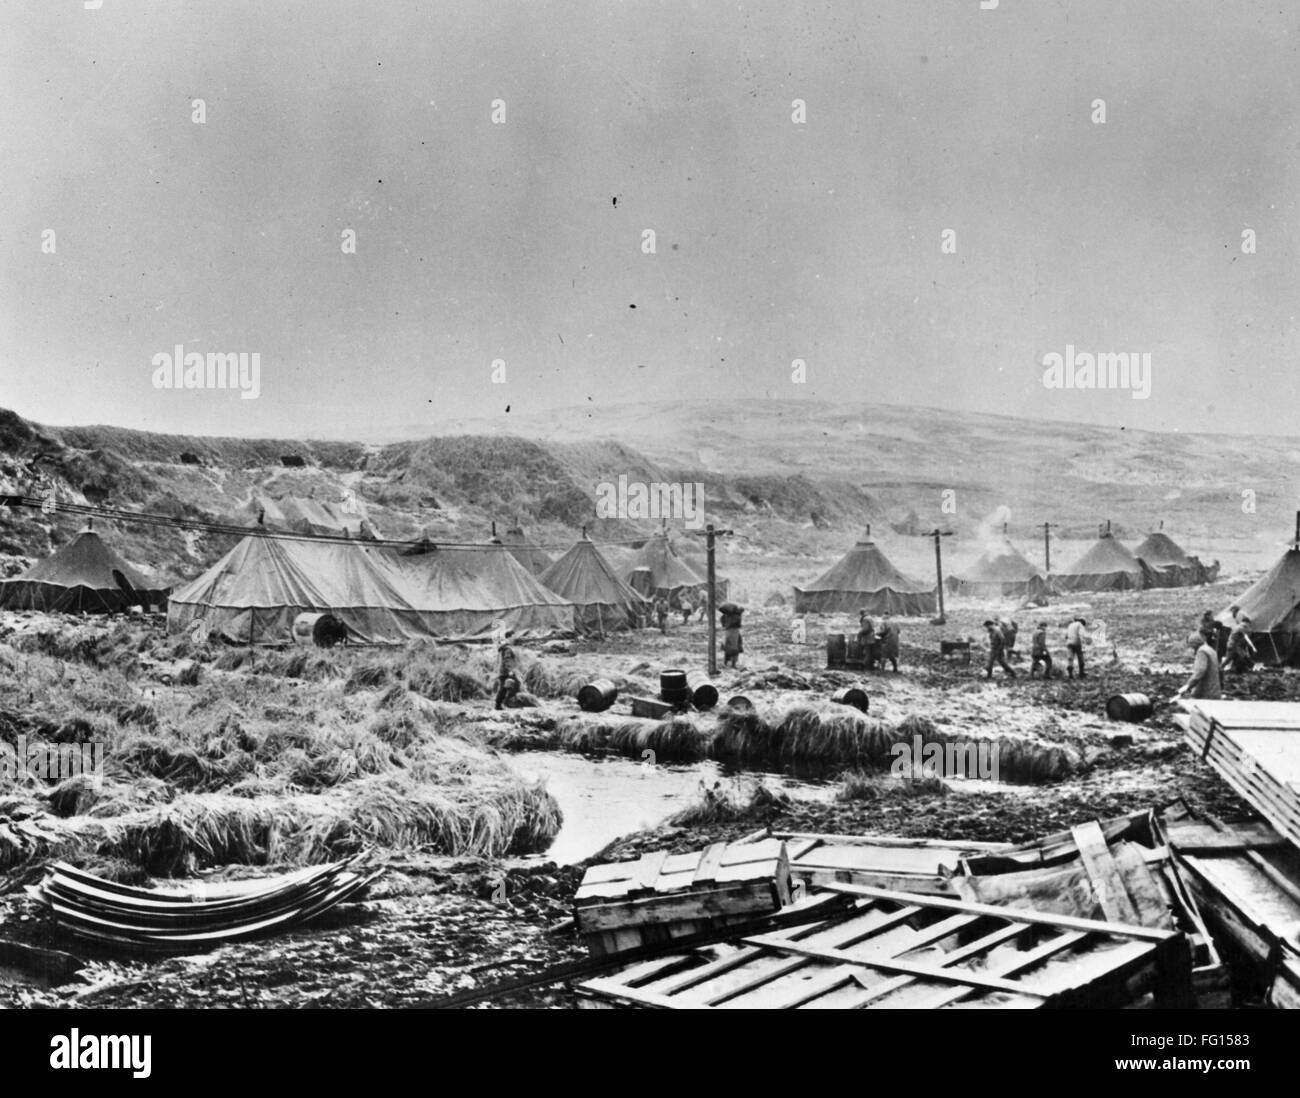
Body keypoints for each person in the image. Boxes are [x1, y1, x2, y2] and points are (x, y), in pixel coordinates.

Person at [1175, 629, 1222, 700]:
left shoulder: (1201, 651)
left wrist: (1189, 685)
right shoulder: (1211, 650)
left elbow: (1200, 671)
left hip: (1206, 690)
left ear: (1194, 643)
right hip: (1215, 689)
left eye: (1191, 645)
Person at [493, 633, 520, 710]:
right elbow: (507, 660)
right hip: (505, 672)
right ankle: (499, 704)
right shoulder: (507, 649)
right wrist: (510, 671)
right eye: (513, 638)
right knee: (504, 688)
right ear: (509, 638)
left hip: (502, 671)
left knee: (504, 688)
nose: (514, 640)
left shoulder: (503, 649)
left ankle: (501, 703)